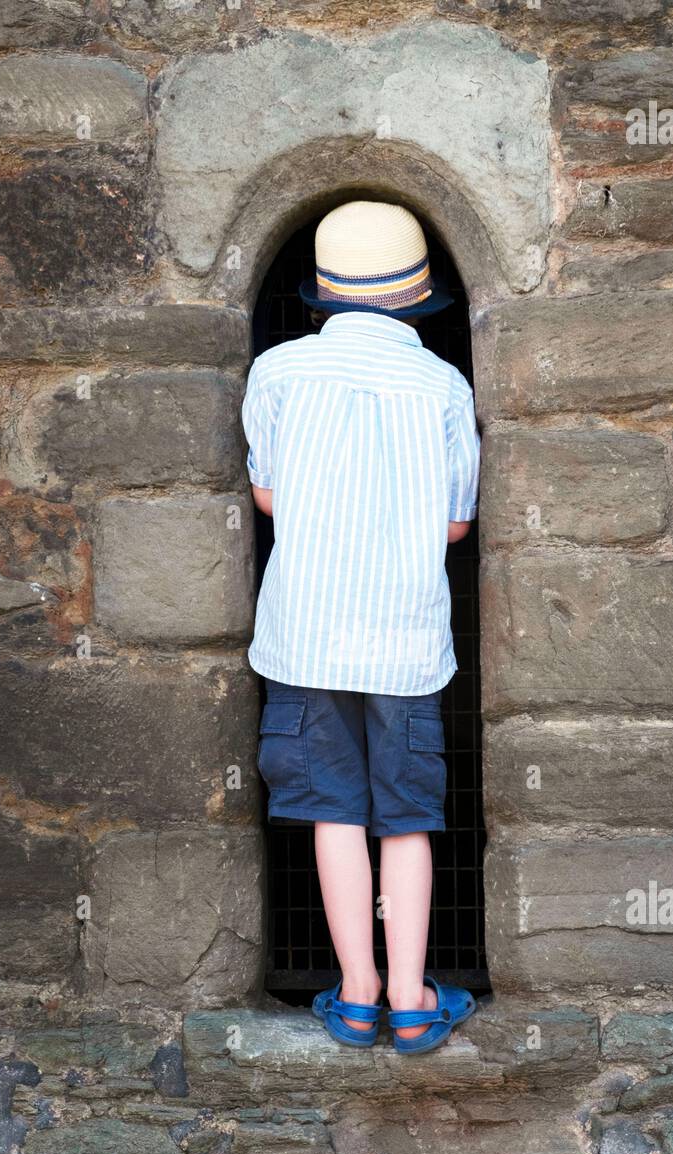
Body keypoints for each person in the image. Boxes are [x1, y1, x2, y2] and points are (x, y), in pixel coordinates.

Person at [242, 200, 481, 1054]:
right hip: (405, 640)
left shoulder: (276, 374)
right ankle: (415, 1000)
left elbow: (267, 495)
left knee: (329, 808)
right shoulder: (444, 386)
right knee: (408, 815)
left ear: (324, 298)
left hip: (304, 634)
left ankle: (355, 991)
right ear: (416, 301)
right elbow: (456, 524)